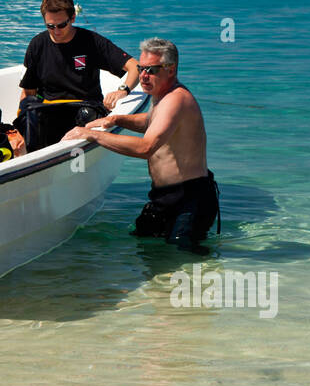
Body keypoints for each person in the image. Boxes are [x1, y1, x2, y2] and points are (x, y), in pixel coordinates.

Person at [63, 37, 219, 249]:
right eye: (141, 68)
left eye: (151, 70)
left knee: (183, 258)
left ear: (170, 70)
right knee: (143, 242)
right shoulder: (161, 95)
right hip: (163, 196)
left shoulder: (176, 99)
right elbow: (151, 122)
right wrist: (116, 119)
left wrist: (94, 135)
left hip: (189, 198)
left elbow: (146, 147)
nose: (144, 76)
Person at [17, 0, 139, 148]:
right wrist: (19, 127)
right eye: (50, 26)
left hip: (85, 105)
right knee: (32, 115)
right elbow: (28, 92)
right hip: (50, 107)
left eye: (61, 25)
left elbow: (135, 66)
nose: (56, 31)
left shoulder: (91, 41)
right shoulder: (37, 44)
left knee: (85, 115)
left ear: (73, 17)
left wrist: (123, 90)